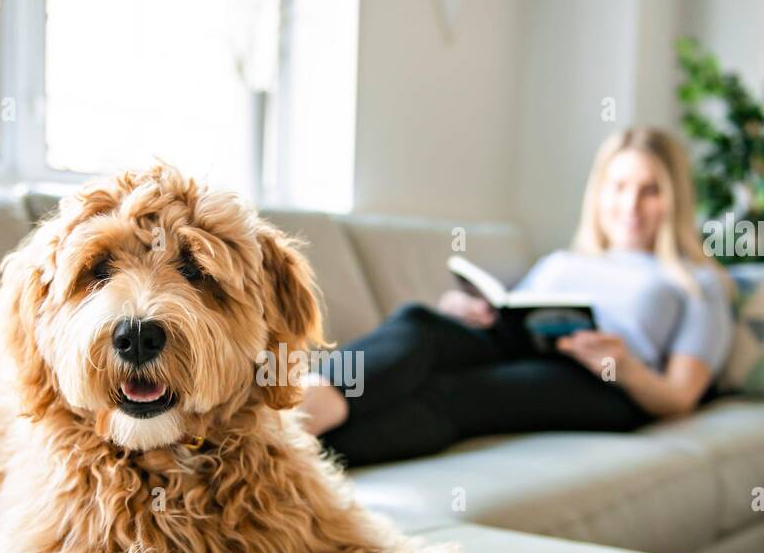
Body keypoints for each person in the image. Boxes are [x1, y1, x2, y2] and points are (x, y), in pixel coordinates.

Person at [300, 127, 734, 467]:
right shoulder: (564, 261)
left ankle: (292, 450)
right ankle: (298, 405)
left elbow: (680, 396)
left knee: (454, 394)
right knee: (420, 323)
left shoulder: (698, 283)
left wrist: (626, 368)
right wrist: (467, 313)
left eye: (650, 190)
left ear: (674, 199)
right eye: (619, 186)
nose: (631, 204)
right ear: (599, 192)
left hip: (601, 385)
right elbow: (515, 315)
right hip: (520, 348)